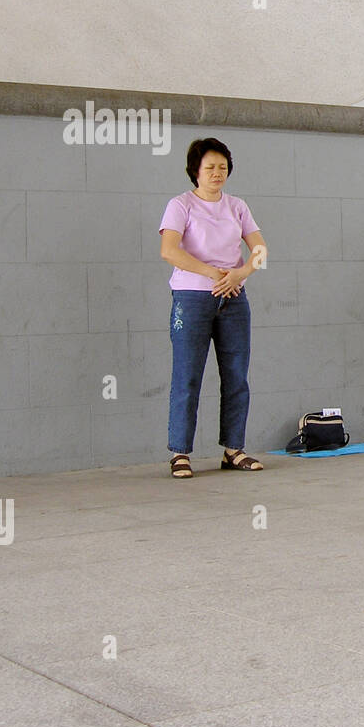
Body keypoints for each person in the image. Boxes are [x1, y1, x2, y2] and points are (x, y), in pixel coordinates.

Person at [159, 138, 268, 477]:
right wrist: (214, 274)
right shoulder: (181, 205)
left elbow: (260, 250)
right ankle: (180, 453)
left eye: (222, 166)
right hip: (192, 298)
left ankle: (233, 450)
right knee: (187, 376)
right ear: (196, 171)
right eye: (210, 167)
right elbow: (169, 251)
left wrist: (240, 274)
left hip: (234, 298)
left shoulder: (237, 206)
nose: (217, 173)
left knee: (236, 376)